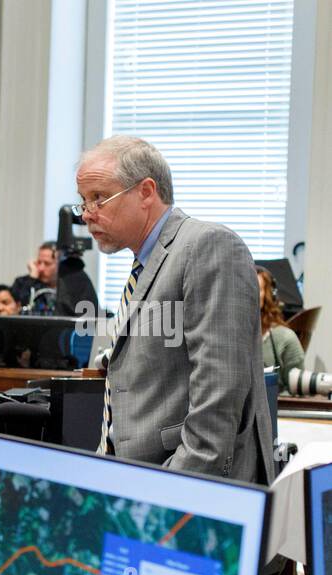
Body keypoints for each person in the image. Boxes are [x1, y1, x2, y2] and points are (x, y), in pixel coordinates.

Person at [76, 135, 272, 482]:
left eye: (100, 198)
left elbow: (219, 396)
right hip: (141, 480)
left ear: (146, 191)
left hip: (191, 489)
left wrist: (173, 491)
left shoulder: (208, 246)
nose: (88, 214)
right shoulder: (146, 263)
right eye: (83, 202)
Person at [258, 266, 304, 394]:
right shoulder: (229, 339)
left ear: (268, 295)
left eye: (257, 289)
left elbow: (297, 391)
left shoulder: (285, 338)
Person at [10, 242, 58, 313]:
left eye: (47, 263)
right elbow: (19, 307)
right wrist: (32, 279)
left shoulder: (67, 287)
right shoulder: (22, 282)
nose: (41, 268)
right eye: (39, 262)